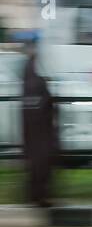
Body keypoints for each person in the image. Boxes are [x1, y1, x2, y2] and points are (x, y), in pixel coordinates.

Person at [18, 33, 57, 209]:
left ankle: (37, 195)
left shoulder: (29, 70)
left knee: (37, 161)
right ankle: (39, 196)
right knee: (40, 161)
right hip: (38, 127)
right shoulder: (32, 72)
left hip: (33, 126)